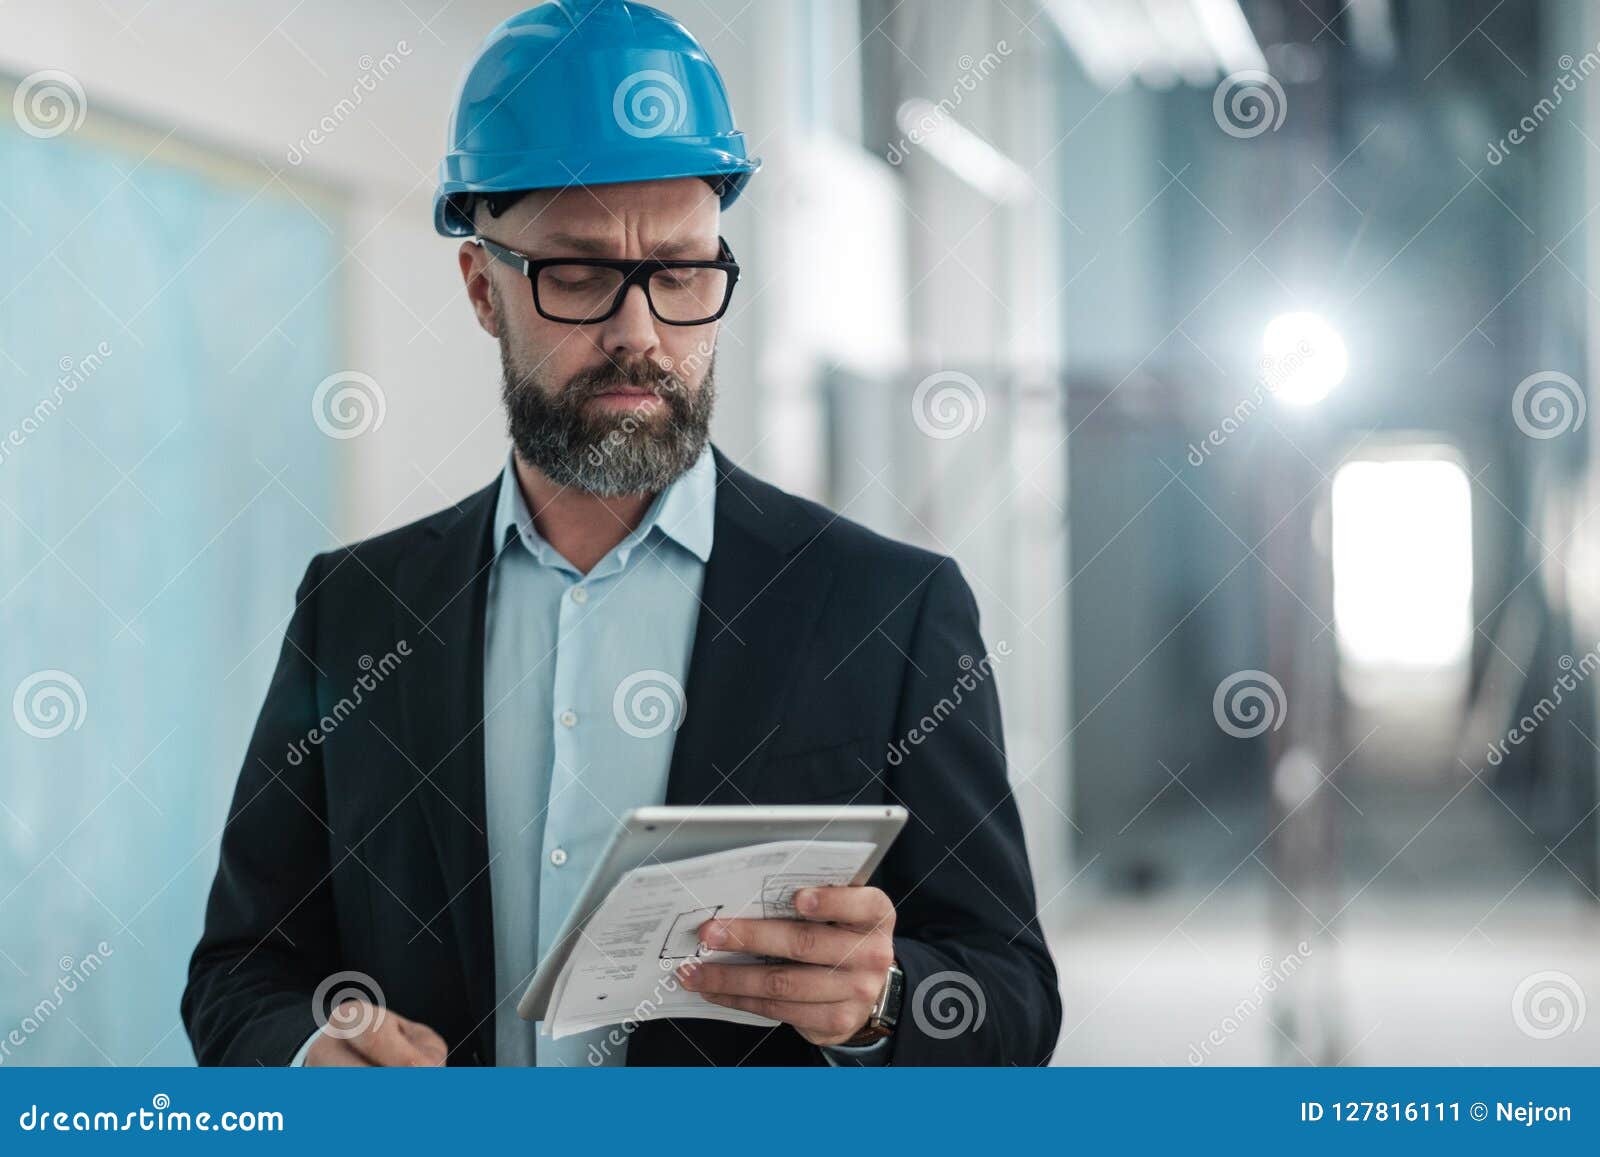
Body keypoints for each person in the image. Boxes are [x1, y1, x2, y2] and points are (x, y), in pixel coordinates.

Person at [182, 0, 1059, 1067]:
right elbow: (240, 969)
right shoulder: (357, 608)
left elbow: (1011, 995)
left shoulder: (889, 608)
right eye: (582, 273)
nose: (638, 333)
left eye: (682, 272)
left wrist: (880, 1000)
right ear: (481, 287)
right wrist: (310, 1048)